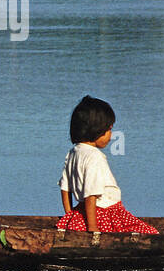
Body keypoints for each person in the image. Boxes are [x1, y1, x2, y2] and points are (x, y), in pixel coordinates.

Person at [57, 96, 158, 234]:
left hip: (83, 211)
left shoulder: (73, 152)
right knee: (151, 233)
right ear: (97, 130)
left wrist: (69, 216)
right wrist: (93, 229)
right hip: (106, 213)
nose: (111, 135)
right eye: (109, 129)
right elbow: (91, 195)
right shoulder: (95, 157)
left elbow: (65, 188)